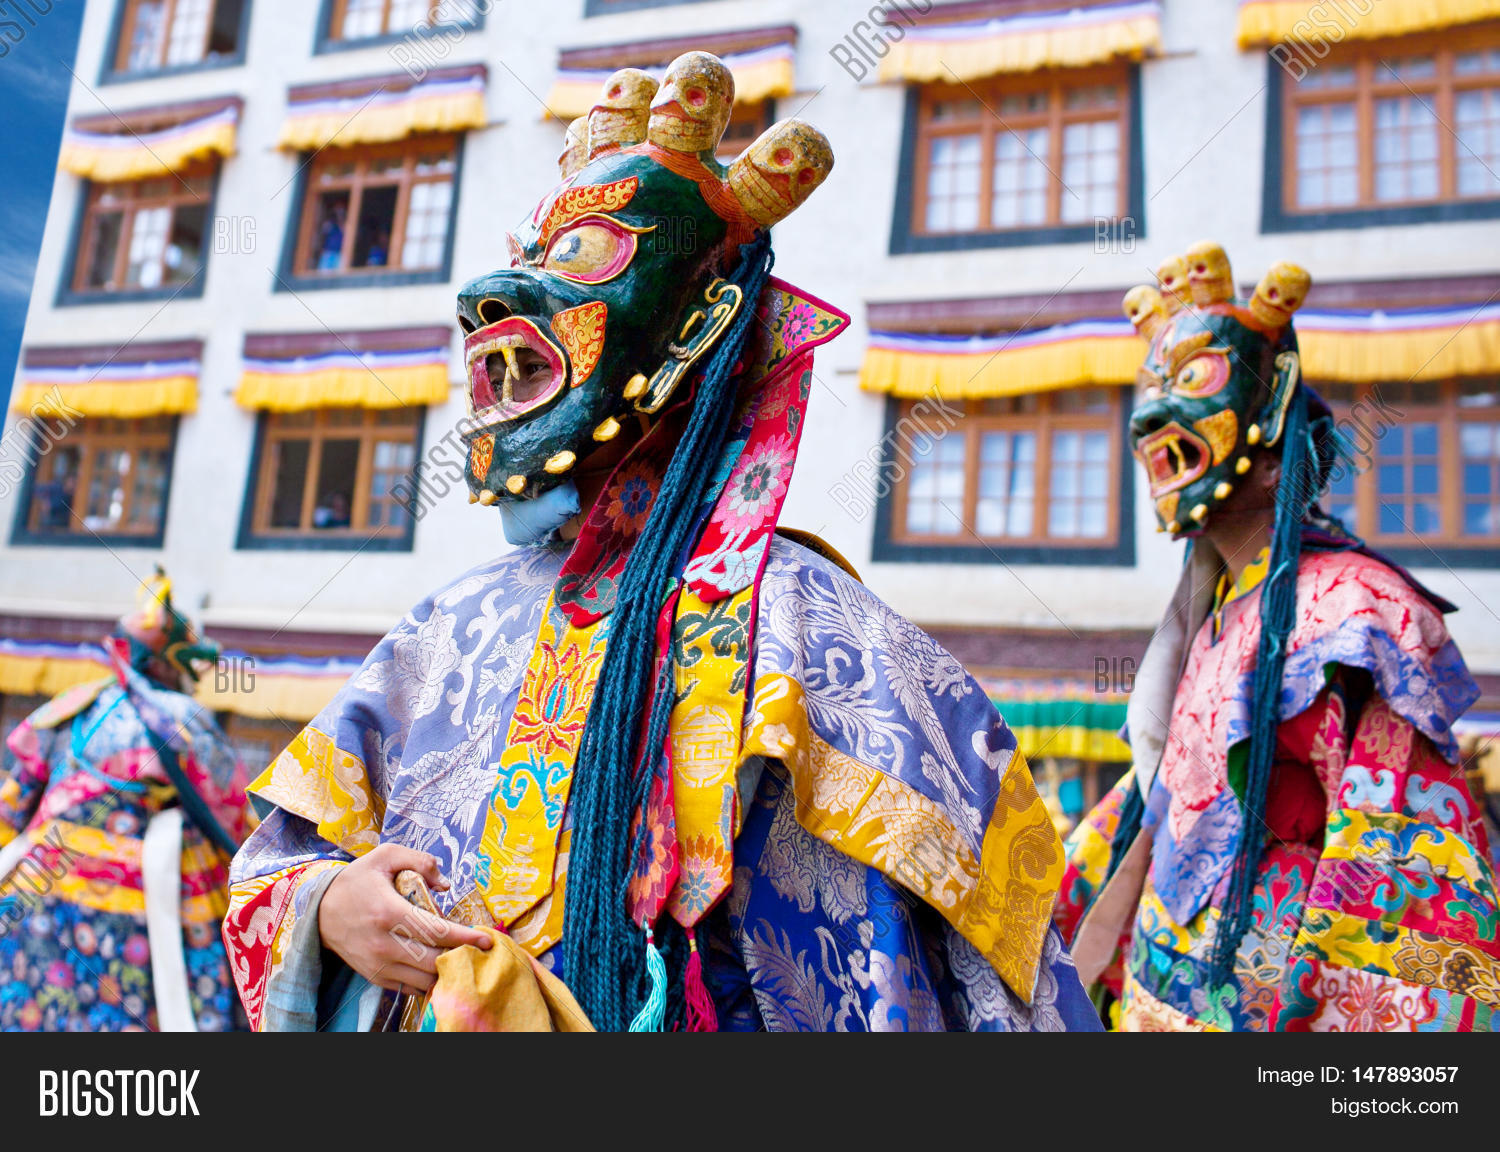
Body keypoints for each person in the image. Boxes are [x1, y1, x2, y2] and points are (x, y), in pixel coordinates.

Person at [223, 53, 1101, 1033]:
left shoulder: (824, 639)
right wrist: (328, 909)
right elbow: (274, 865)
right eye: (524, 254)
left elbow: (986, 984)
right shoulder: (446, 628)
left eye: (584, 256)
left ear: (698, 325)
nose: (491, 296)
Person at [1054, 243, 1499, 1031]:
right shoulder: (1217, 608)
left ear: (1276, 414)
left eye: (1191, 382)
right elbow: (1166, 800)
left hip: (1264, 1009)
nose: (1152, 414)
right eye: (1151, 387)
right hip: (1157, 993)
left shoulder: (1352, 614)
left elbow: (1396, 846)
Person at [0, 568, 253, 1031]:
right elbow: (232, 809)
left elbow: (12, 799)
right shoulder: (182, 716)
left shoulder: (68, 703)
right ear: (162, 663)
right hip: (141, 900)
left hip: (41, 885)